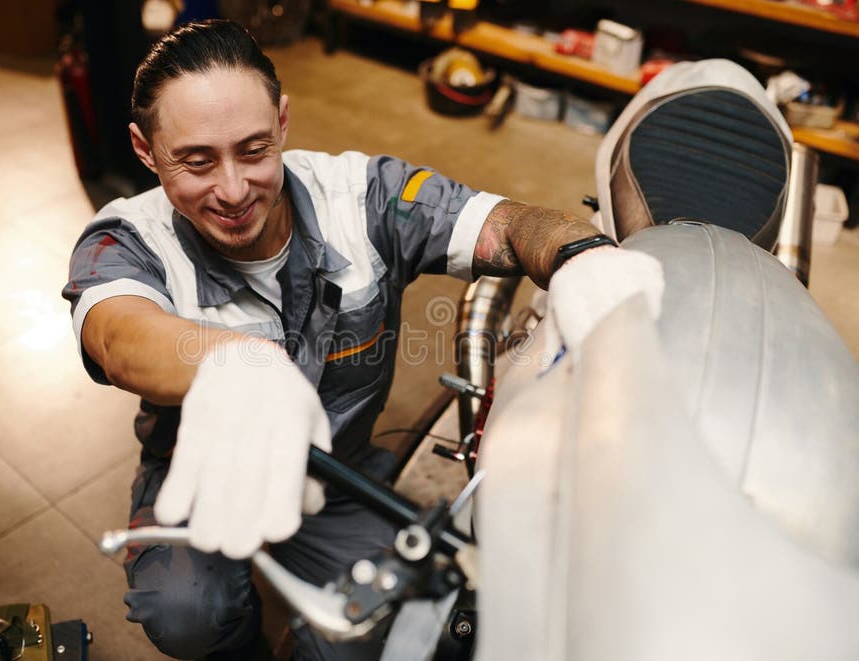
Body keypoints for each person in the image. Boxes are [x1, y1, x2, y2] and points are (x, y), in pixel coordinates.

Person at [61, 19, 662, 661]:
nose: (233, 190)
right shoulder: (124, 239)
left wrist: (580, 254)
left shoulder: (365, 198)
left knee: (384, 622)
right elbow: (119, 335)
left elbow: (508, 224)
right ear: (146, 150)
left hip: (338, 473)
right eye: (197, 161)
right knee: (186, 614)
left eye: (255, 149)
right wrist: (230, 363)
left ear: (283, 124)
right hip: (198, 472)